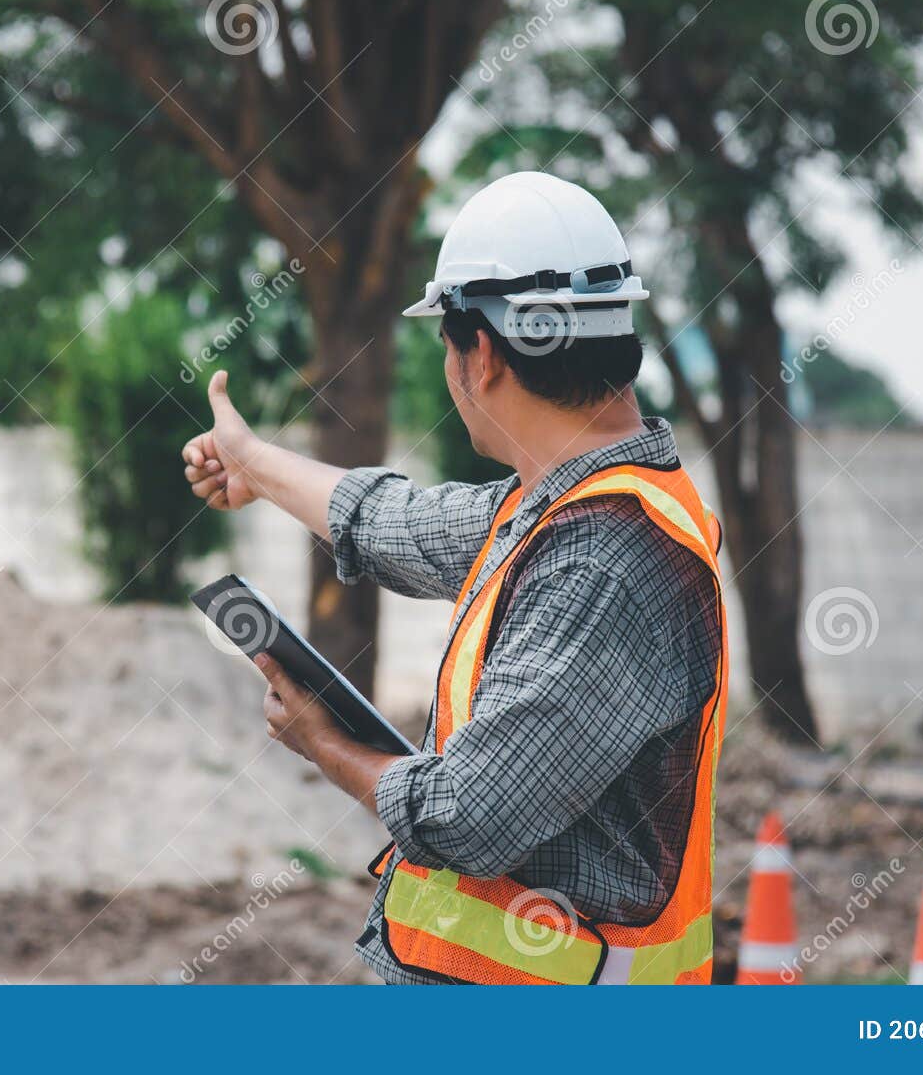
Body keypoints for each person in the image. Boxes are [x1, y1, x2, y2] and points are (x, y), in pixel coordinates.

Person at [180, 172, 728, 985]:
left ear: (484, 355)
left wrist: (323, 744)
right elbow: (395, 521)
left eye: (446, 341)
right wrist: (254, 464)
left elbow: (467, 815)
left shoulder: (602, 558)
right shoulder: (566, 508)